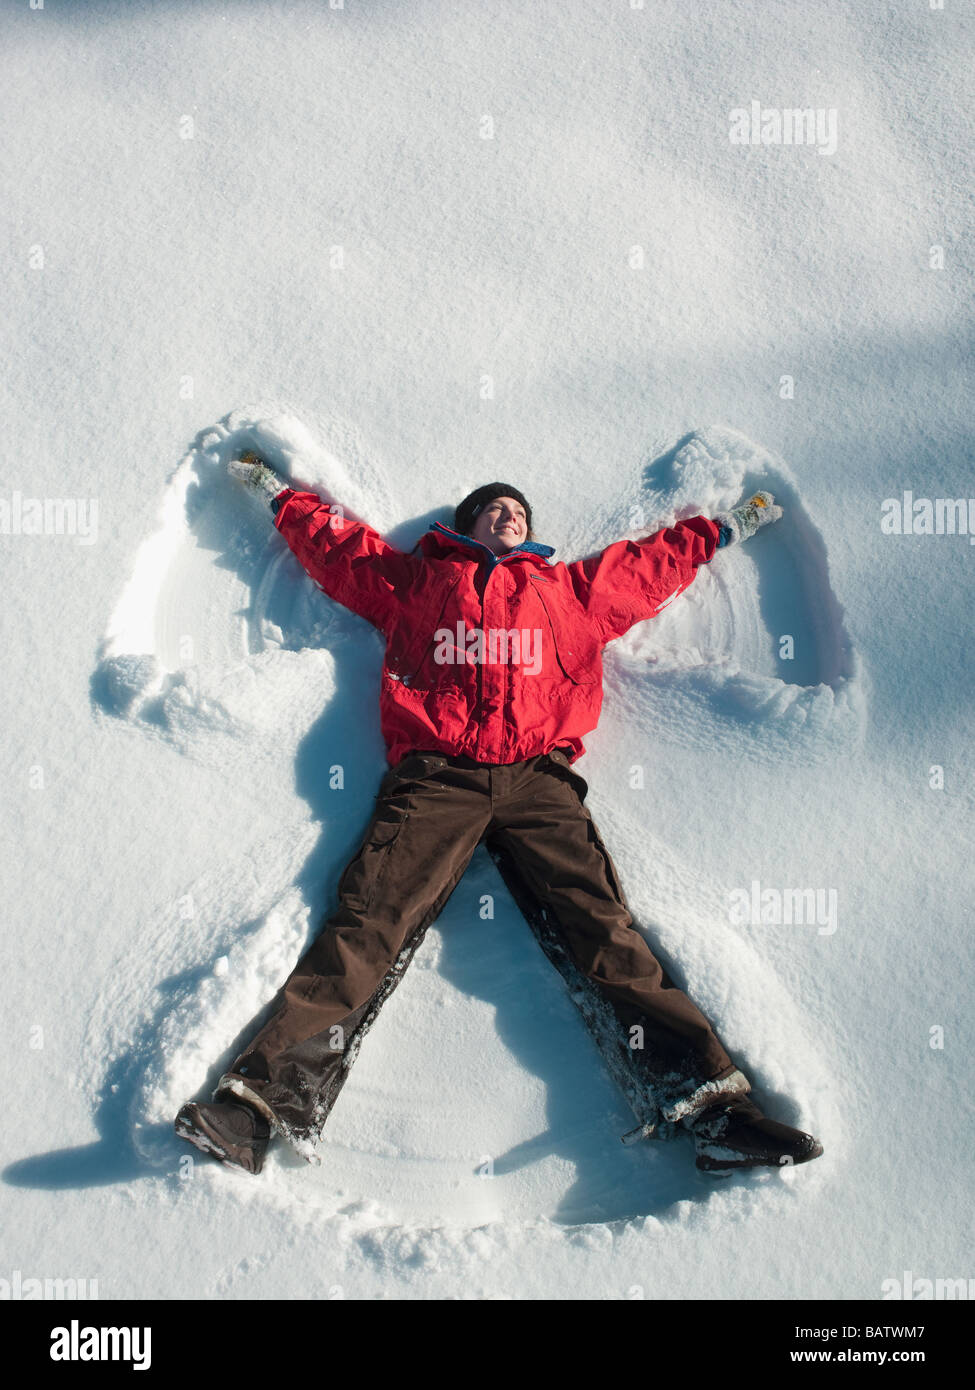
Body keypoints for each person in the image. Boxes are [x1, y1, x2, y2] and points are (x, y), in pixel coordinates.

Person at [175, 454, 824, 1177]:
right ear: (465, 528)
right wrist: (278, 495)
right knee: (368, 925)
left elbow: (649, 567)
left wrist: (726, 527)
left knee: (602, 931)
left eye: (516, 510)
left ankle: (714, 1114)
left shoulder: (571, 591)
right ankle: (255, 1110)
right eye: (491, 509)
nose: (506, 515)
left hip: (537, 779)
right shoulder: (419, 580)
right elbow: (341, 551)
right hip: (436, 775)